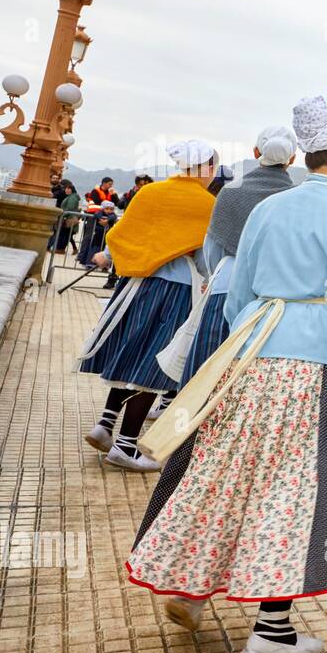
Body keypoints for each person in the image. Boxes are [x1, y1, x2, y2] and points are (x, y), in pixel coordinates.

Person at [127, 95, 327, 653]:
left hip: (254, 352)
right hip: (322, 363)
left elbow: (241, 294)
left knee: (223, 471)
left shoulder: (266, 211)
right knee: (297, 488)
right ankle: (271, 630)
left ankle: (189, 584)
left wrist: (254, 342)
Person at [77, 141, 217, 472]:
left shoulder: (151, 193)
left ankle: (105, 423)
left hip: (137, 285)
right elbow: (204, 257)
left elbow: (123, 234)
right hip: (177, 289)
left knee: (131, 353)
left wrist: (112, 258)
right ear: (206, 168)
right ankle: (125, 446)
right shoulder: (206, 205)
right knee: (155, 366)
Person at [167, 127, 300, 392]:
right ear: (293, 159)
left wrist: (211, 275)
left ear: (255, 152)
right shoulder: (296, 200)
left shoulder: (230, 193)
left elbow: (212, 248)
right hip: (274, 300)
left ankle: (190, 427)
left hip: (226, 287)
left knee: (207, 367)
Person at [53, 181, 82, 253]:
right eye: (66, 189)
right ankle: (63, 249)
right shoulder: (71, 196)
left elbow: (70, 208)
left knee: (65, 234)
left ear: (72, 190)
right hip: (68, 218)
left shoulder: (72, 197)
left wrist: (62, 214)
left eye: (69, 189)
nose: (67, 190)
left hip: (68, 218)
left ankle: (60, 249)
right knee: (67, 234)